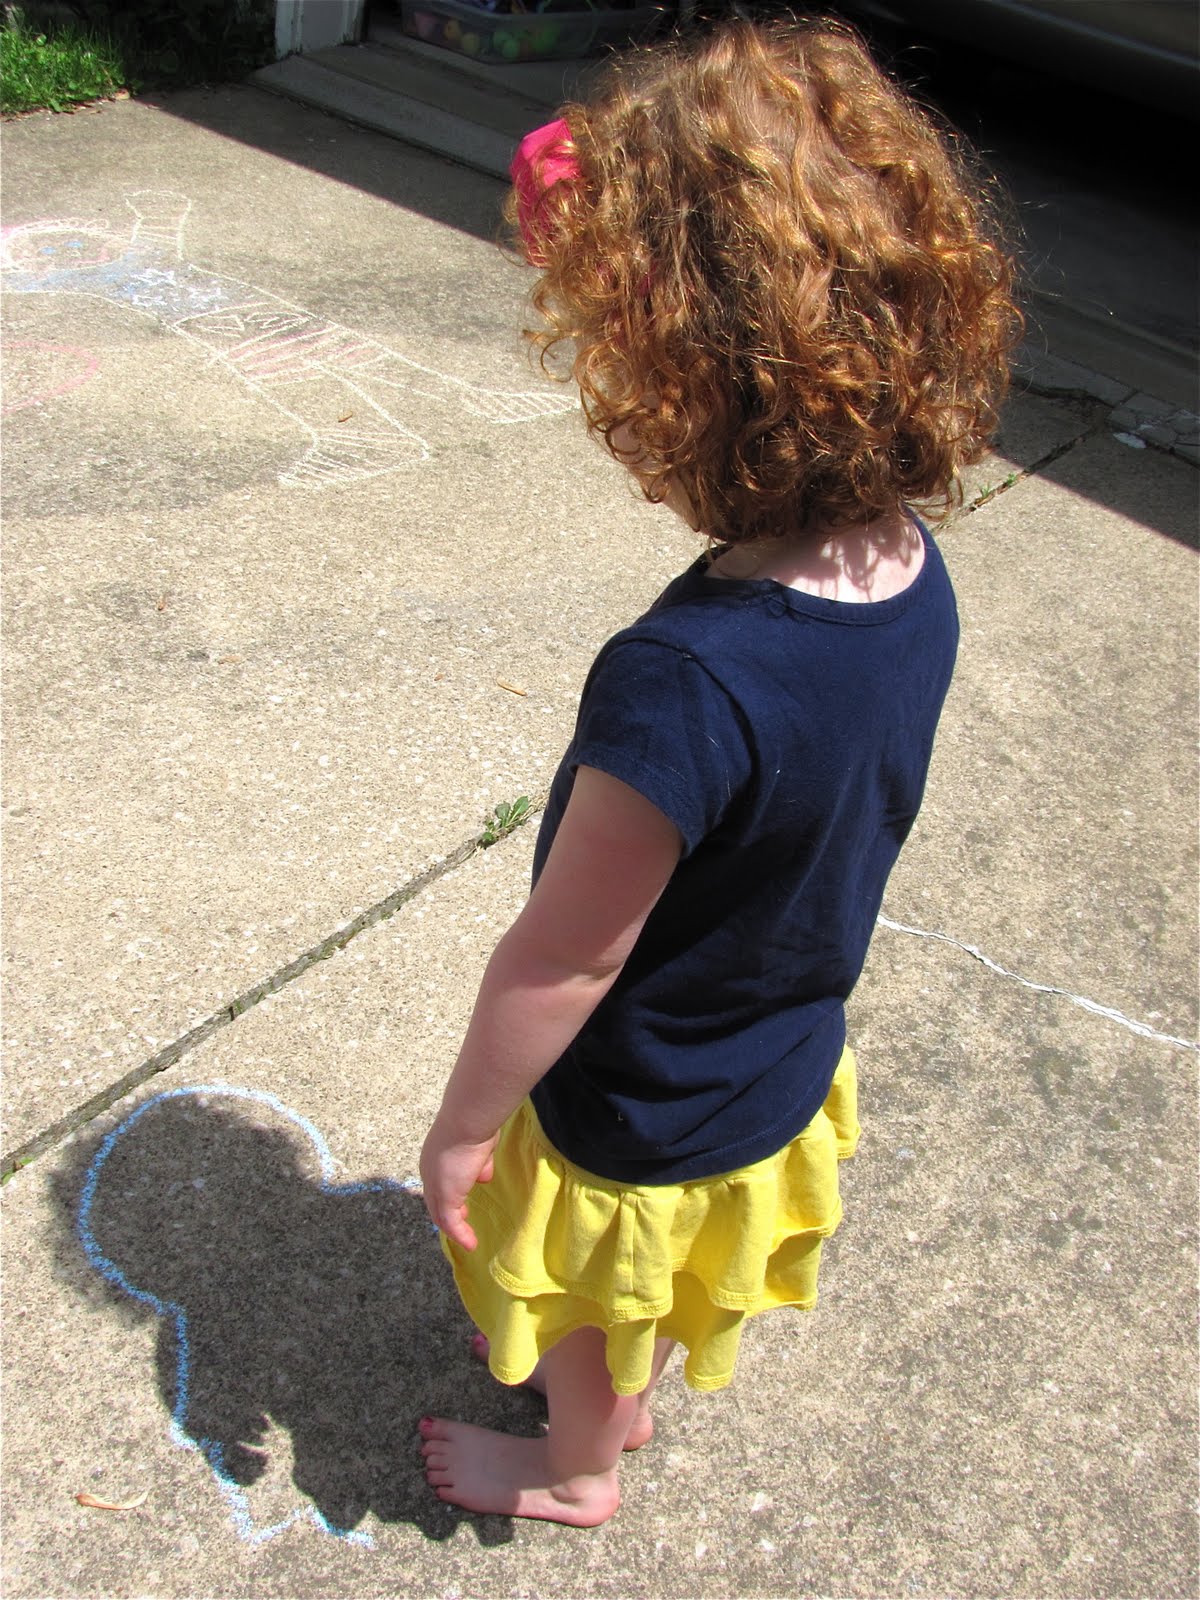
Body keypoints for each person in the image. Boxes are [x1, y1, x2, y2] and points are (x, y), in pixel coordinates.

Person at [418, 16, 1019, 1526]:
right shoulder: (907, 571)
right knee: (647, 1282)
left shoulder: (685, 682)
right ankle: (611, 1392)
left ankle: (575, 1466)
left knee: (588, 1307)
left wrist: (469, 1126)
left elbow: (565, 957)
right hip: (775, 1052)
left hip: (642, 1097)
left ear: (679, 378)